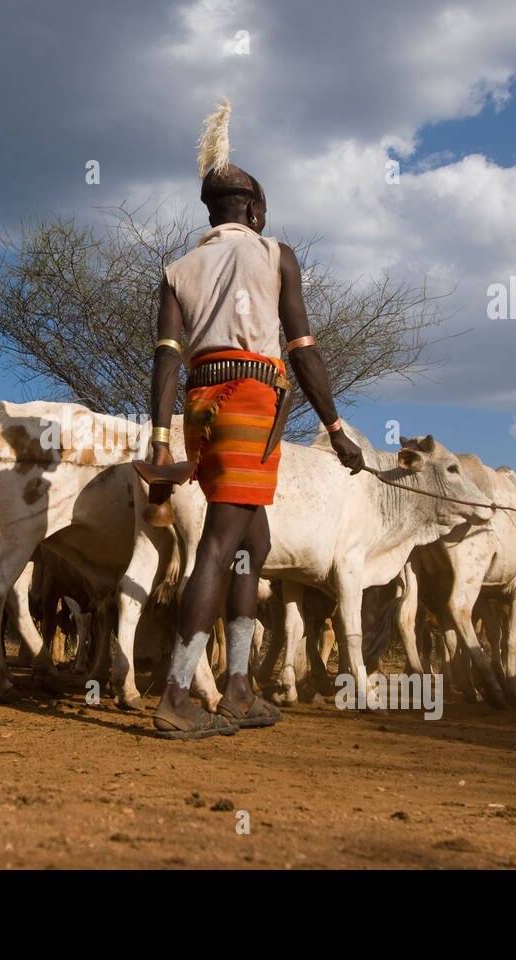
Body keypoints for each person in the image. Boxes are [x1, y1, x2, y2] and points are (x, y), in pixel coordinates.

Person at [147, 98, 365, 740]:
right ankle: (178, 694)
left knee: (253, 543)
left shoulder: (178, 268)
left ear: (212, 212)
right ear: (253, 210)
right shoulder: (276, 254)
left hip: (201, 405)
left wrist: (162, 439)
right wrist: (335, 430)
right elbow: (303, 350)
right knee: (219, 544)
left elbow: (165, 357)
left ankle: (240, 687)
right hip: (251, 401)